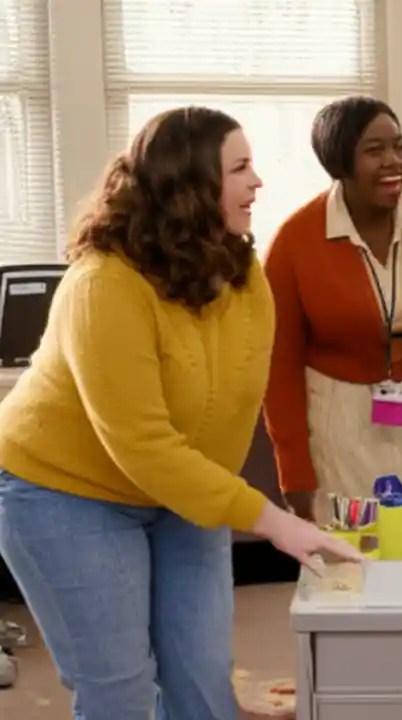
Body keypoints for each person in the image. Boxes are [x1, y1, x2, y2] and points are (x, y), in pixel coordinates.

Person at [0, 107, 360, 720]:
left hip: (179, 494)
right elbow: (141, 445)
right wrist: (272, 520)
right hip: (63, 493)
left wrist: (234, 501)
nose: (258, 181)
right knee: (120, 689)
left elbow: (235, 411)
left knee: (202, 682)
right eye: (239, 168)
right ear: (189, 185)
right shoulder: (103, 285)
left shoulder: (244, 277)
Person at [264, 96, 402, 523]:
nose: (394, 161)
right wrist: (293, 470)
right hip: (339, 418)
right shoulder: (294, 241)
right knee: (356, 550)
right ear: (339, 162)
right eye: (374, 150)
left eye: (399, 146)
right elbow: (280, 368)